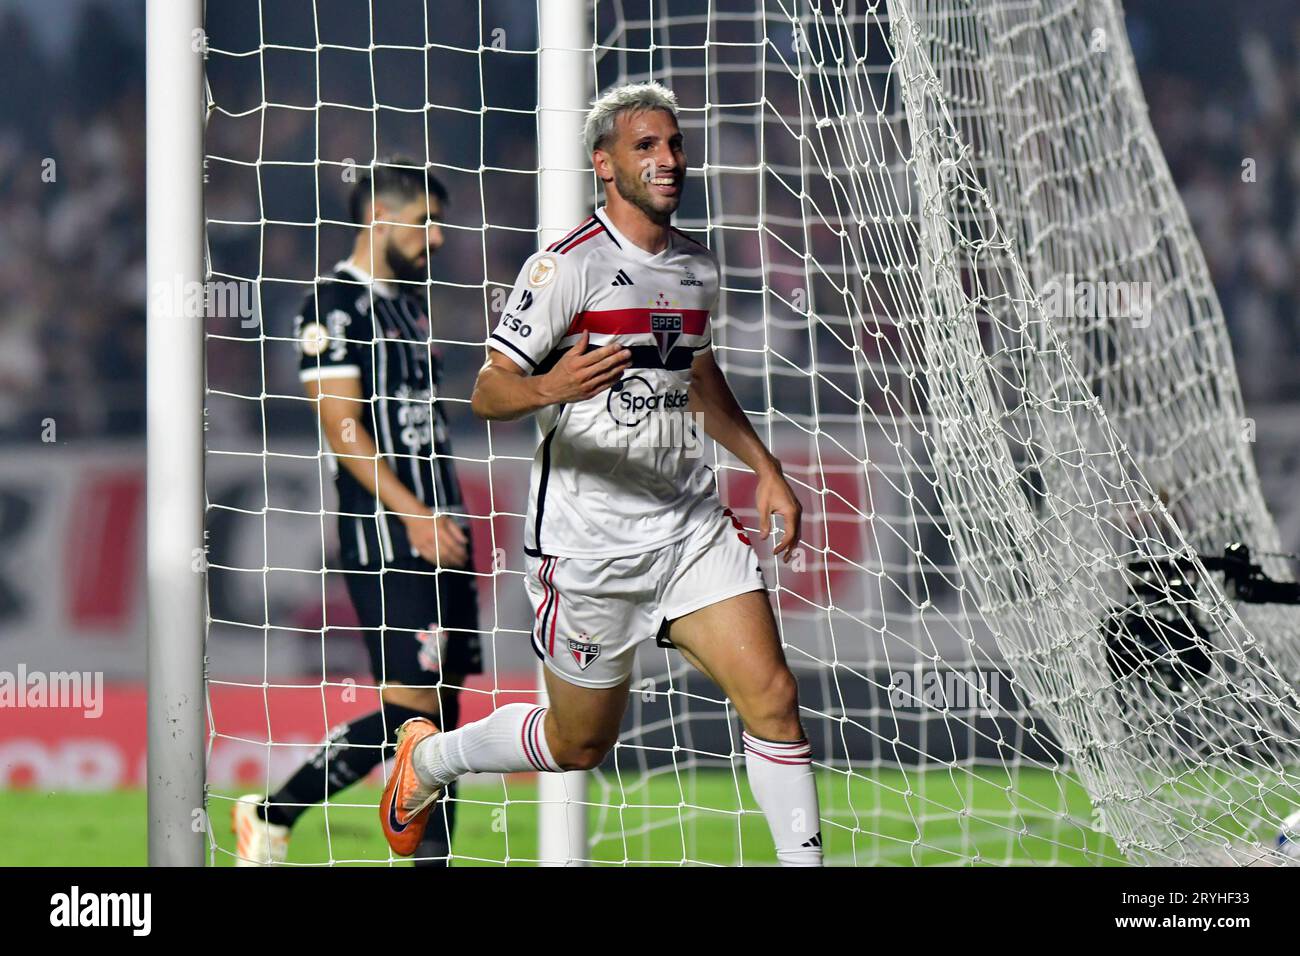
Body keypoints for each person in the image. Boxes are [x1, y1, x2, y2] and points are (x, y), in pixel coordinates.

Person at [379, 84, 822, 866]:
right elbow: (487, 390)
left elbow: (698, 377)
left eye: (674, 144)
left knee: (775, 698)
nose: (668, 159)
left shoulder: (695, 267)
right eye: (646, 146)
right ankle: (431, 760)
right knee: (578, 743)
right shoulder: (565, 270)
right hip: (589, 551)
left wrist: (765, 466)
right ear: (605, 165)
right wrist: (553, 386)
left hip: (690, 528)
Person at [232, 159, 481, 866]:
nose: (436, 238)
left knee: (442, 714)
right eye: (424, 221)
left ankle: (291, 816)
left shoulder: (409, 303)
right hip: (387, 536)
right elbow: (341, 428)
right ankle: (278, 811)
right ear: (379, 215)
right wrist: (412, 514)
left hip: (441, 520)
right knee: (416, 720)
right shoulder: (331, 305)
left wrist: (441, 513)